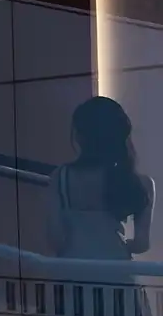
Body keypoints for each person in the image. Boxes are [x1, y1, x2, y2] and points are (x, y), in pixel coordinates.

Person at [47, 96, 155, 260]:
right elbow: (142, 243)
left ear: (80, 136)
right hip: (116, 270)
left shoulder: (61, 177)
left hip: (72, 269)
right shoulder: (141, 183)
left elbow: (55, 239)